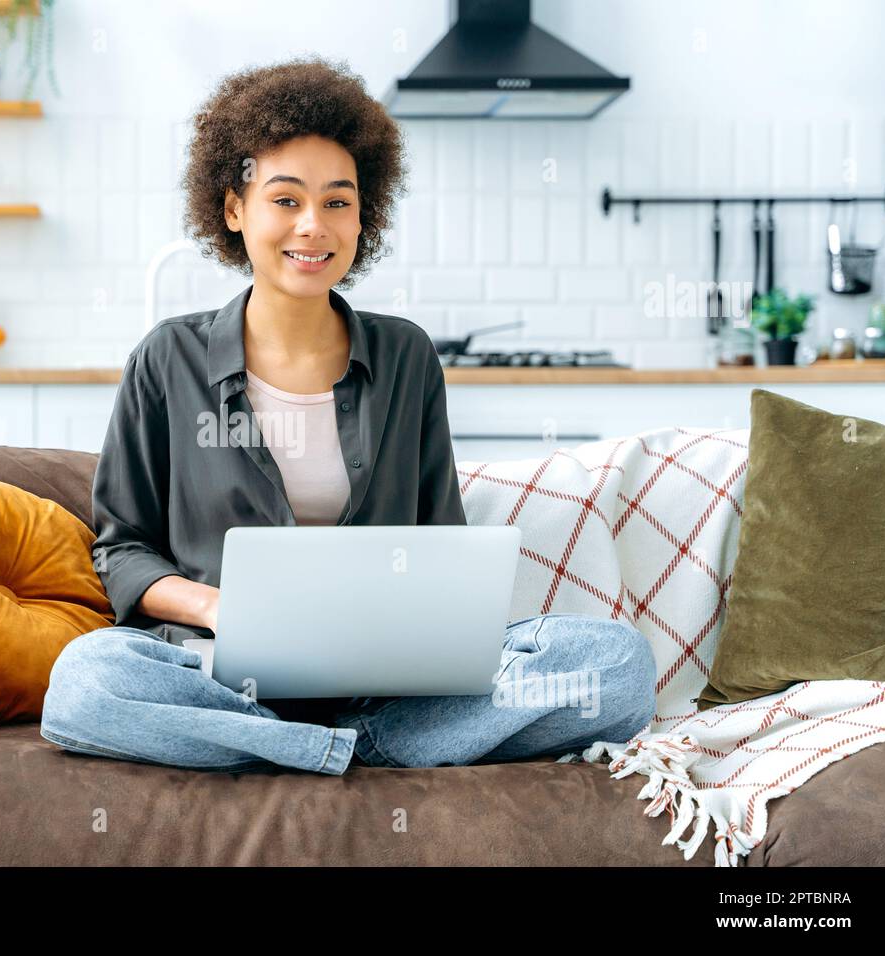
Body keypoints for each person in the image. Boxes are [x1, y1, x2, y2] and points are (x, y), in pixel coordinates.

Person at [40, 56, 655, 775]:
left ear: (365, 214)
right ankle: (326, 750)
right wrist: (216, 608)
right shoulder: (167, 359)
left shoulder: (406, 357)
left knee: (617, 665)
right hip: (216, 680)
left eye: (338, 201)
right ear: (234, 209)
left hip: (386, 694)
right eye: (285, 199)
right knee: (86, 680)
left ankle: (313, 749)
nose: (313, 225)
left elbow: (439, 543)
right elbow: (123, 548)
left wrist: (434, 633)